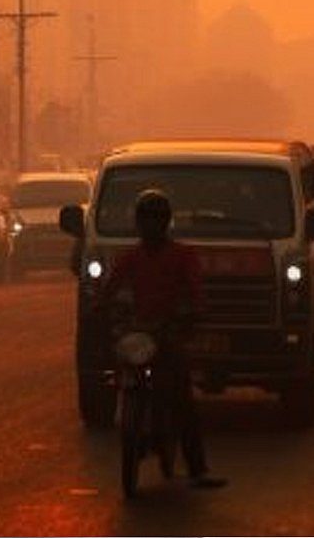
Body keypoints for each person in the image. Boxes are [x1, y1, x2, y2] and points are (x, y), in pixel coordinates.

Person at [103, 189, 225, 489]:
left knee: (182, 398)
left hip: (168, 332)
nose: (149, 226)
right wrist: (101, 306)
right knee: (119, 371)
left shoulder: (183, 255)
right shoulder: (130, 257)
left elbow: (196, 292)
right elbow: (110, 288)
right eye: (145, 219)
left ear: (166, 222)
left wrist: (194, 311)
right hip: (140, 332)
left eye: (155, 219)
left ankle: (198, 468)